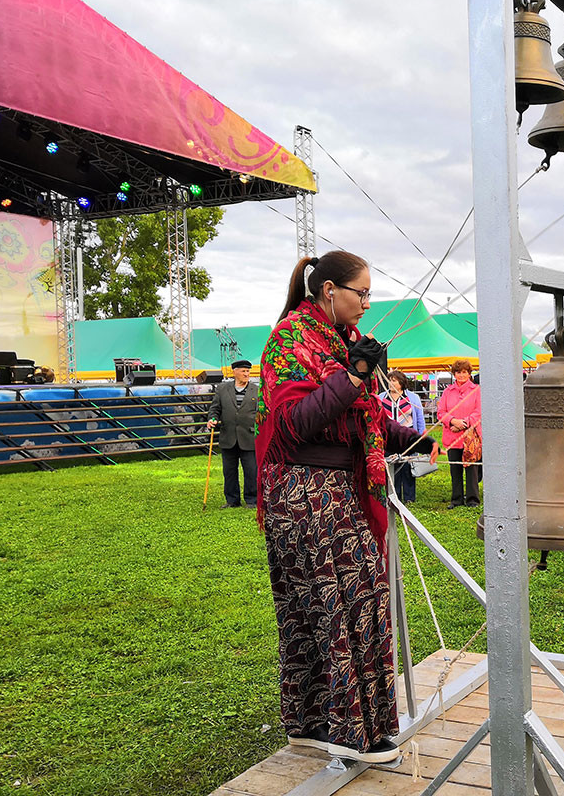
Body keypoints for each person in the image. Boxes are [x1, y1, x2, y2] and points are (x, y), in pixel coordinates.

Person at [255, 251, 439, 764]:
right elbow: (295, 422)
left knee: (361, 606)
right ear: (329, 289)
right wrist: (353, 376)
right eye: (362, 293)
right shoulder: (289, 339)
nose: (366, 304)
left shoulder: (345, 345)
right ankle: (332, 729)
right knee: (325, 609)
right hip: (305, 494)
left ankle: (352, 726)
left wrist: (419, 438)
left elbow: (367, 421)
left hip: (344, 491)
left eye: (370, 294)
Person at [207, 359, 258, 508]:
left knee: (251, 471)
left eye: (248, 371)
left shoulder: (257, 389)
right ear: (234, 372)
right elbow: (215, 409)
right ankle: (232, 500)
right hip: (228, 436)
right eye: (243, 371)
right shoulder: (222, 389)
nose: (246, 374)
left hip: (249, 437)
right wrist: (212, 419)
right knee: (229, 471)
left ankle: (252, 500)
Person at [437, 359, 482, 508]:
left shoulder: (476, 390)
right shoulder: (447, 391)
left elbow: (478, 412)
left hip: (470, 436)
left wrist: (463, 423)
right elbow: (441, 412)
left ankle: (472, 500)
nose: (461, 375)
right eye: (458, 372)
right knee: (455, 470)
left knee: (472, 470)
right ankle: (456, 499)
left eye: (464, 372)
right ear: (454, 374)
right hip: (452, 436)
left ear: (469, 373)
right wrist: (452, 421)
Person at [378, 369, 426, 503]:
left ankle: (410, 497)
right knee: (392, 466)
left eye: (394, 380)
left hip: (407, 435)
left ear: (401, 383)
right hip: (389, 437)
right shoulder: (382, 397)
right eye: (389, 380)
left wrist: (421, 436)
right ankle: (395, 496)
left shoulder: (412, 398)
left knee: (408, 467)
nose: (391, 383)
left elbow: (420, 419)